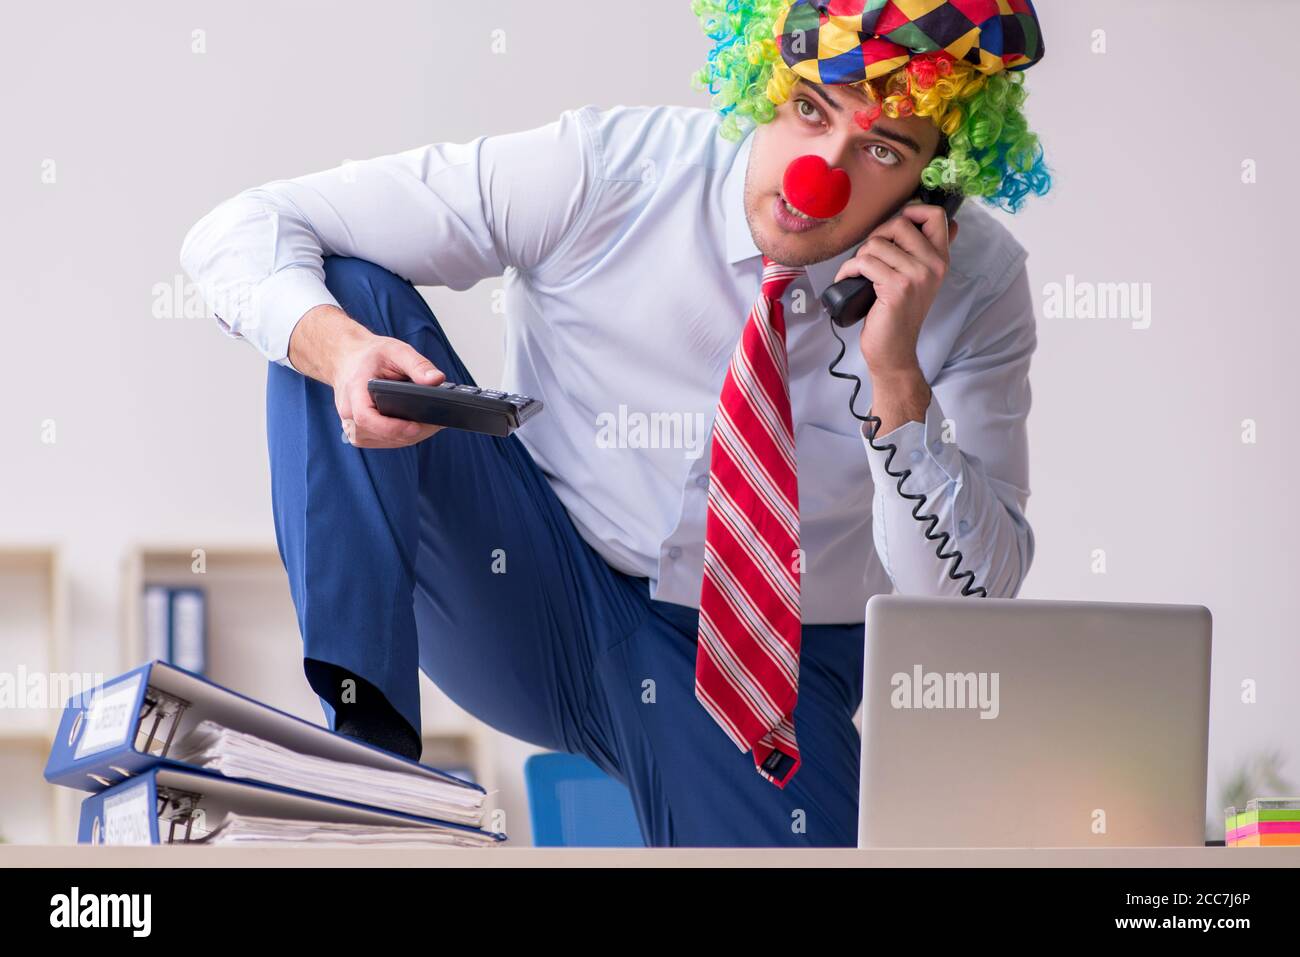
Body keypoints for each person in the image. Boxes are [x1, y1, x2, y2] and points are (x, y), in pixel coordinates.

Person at [178, 0, 1050, 846]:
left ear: (937, 184)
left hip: (767, 665)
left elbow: (961, 602)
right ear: (765, 79)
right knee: (350, 294)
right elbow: (243, 227)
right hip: (534, 586)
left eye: (882, 149)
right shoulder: (609, 169)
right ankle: (357, 768)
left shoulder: (977, 290)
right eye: (809, 108)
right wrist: (337, 349)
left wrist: (896, 377)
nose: (817, 173)